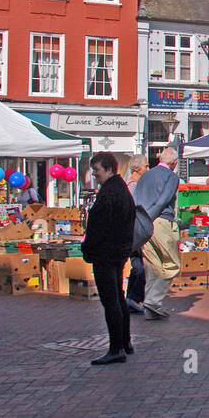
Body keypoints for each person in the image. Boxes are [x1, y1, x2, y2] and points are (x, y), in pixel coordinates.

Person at [81, 152, 135, 365]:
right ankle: (124, 342)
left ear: (110, 169)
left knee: (110, 300)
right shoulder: (122, 190)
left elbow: (98, 228)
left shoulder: (109, 193)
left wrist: (88, 248)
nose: (95, 175)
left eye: (97, 171)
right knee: (118, 297)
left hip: (106, 253)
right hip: (119, 251)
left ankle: (116, 348)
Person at [136, 147, 181, 320]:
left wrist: (142, 219)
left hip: (143, 222)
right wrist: (152, 215)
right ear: (174, 163)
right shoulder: (171, 177)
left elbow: (136, 199)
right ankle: (153, 301)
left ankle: (151, 310)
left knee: (152, 266)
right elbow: (164, 200)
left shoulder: (145, 175)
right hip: (161, 220)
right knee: (172, 264)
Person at [124, 154, 149, 315]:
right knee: (140, 266)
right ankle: (133, 298)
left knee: (138, 265)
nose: (148, 169)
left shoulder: (138, 186)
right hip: (134, 232)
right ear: (136, 168)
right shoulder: (133, 187)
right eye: (146, 166)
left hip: (135, 232)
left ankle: (131, 298)